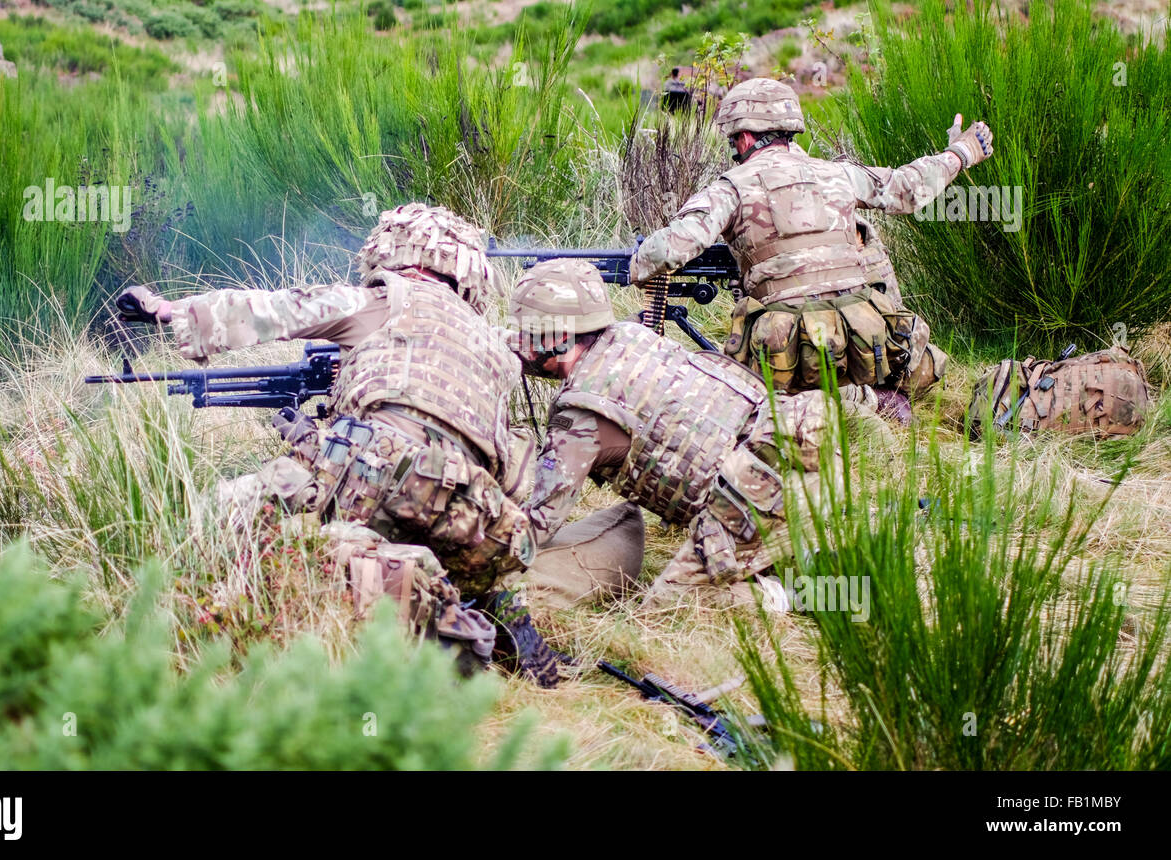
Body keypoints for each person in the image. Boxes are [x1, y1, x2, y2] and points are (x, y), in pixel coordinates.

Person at [114, 204, 561, 686]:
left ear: (391, 252)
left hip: (375, 482)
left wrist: (171, 312)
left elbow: (271, 311)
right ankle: (461, 602)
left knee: (228, 514)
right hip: (478, 524)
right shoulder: (495, 348)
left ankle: (389, 609)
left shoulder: (383, 301)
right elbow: (511, 467)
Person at [628, 77, 992, 418]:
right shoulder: (839, 174)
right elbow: (908, 186)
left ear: (744, 137)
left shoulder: (732, 188)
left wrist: (634, 265)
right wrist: (961, 151)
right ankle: (871, 394)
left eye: (733, 139)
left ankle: (856, 401)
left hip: (790, 357)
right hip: (861, 339)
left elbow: (668, 250)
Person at [508, 258, 840, 609]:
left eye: (526, 332)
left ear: (559, 337)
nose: (517, 343)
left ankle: (797, 597)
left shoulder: (580, 417)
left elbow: (538, 527)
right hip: (800, 446)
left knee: (669, 607)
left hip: (759, 491)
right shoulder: (629, 336)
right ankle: (806, 555)